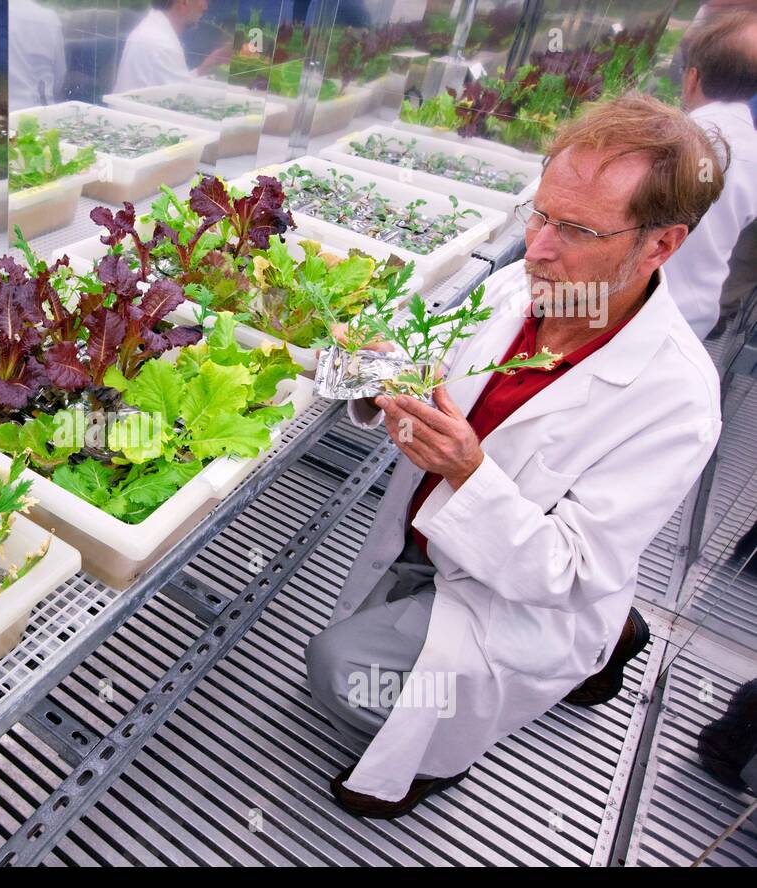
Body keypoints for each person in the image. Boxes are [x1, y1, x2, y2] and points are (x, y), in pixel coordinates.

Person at [305, 94, 725, 819]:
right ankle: (611, 633)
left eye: (578, 229)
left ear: (661, 245)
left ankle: (450, 755)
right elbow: (429, 367)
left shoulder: (678, 401)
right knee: (354, 637)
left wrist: (466, 475)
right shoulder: (525, 286)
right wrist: (373, 373)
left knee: (341, 672)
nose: (537, 247)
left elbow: (567, 571)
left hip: (527, 594)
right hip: (435, 544)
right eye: (539, 213)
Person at [662, 9, 757, 340]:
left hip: (650, 308)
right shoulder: (751, 145)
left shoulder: (682, 138)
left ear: (692, 78)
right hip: (696, 312)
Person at [112, 0, 230, 94]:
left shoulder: (154, 27)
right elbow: (183, 100)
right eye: (203, 0)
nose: (205, 7)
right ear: (184, 2)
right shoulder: (163, 44)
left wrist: (202, 70)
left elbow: (173, 86)